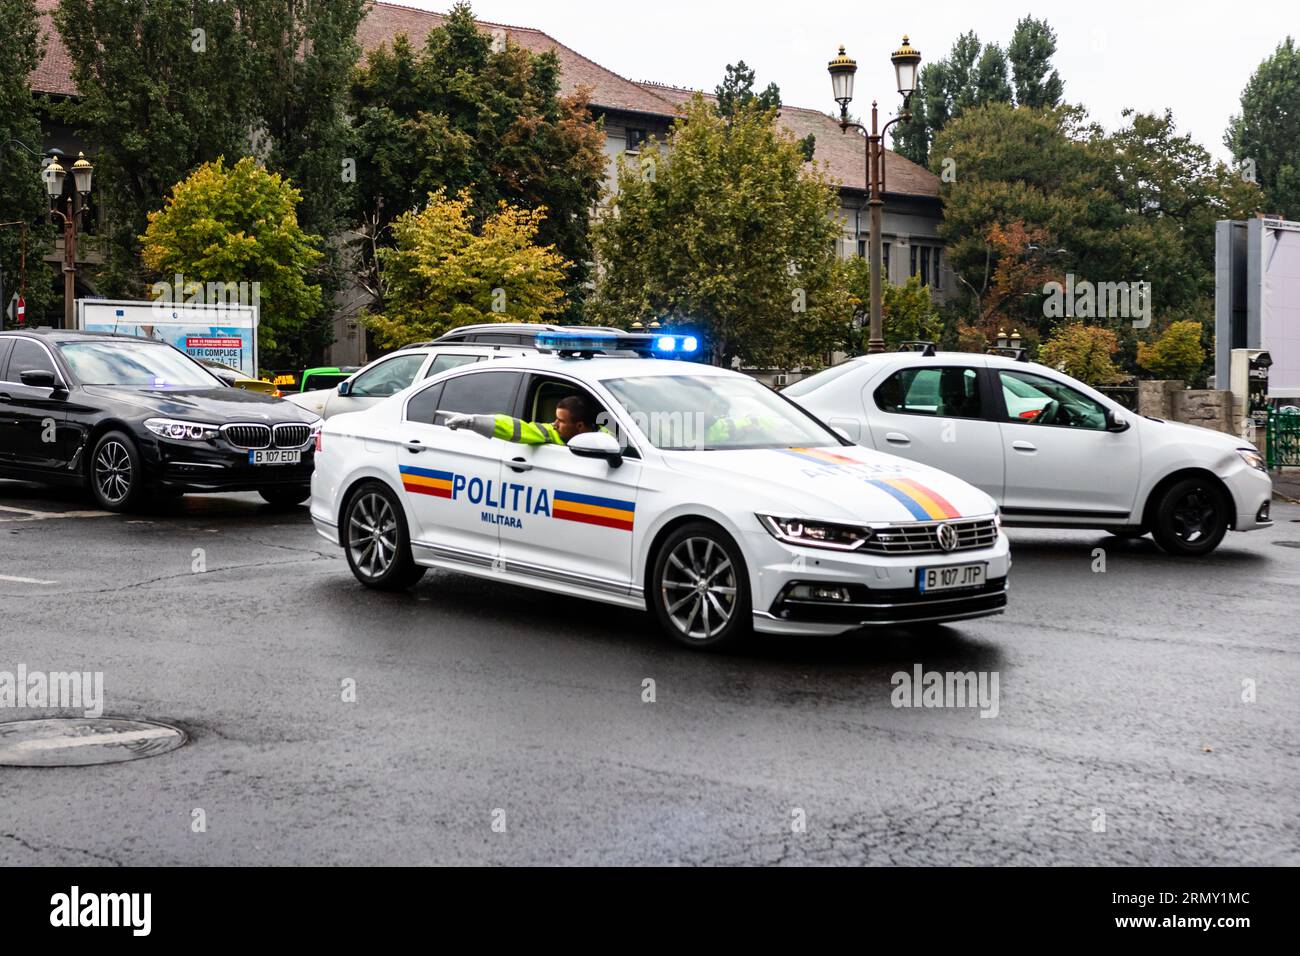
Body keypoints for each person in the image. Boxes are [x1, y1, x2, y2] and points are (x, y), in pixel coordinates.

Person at [440, 394, 600, 446]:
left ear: (579, 425)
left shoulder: (606, 437)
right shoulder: (550, 433)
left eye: (561, 421)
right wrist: (471, 422)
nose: (555, 424)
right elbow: (512, 427)